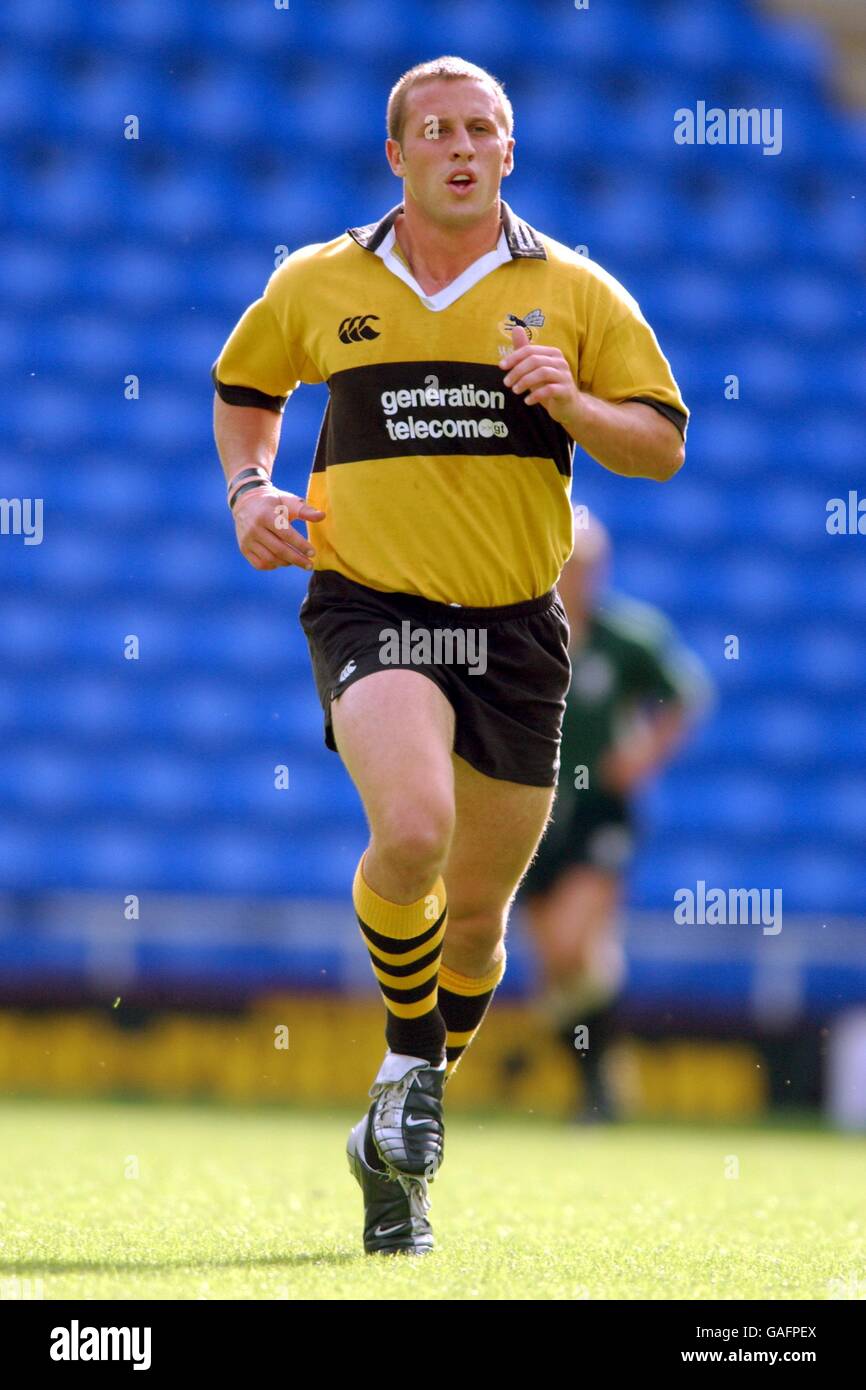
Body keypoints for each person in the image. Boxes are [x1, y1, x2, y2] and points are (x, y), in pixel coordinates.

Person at [211, 55, 688, 1255]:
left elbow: (661, 443)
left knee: (475, 923)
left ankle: (398, 1118)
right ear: (398, 153)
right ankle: (409, 1097)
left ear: (508, 151)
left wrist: (573, 406)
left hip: (517, 633)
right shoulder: (318, 279)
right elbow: (243, 386)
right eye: (437, 129)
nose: (461, 146)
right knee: (412, 829)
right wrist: (248, 490)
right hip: (370, 606)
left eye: (483, 128)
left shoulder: (571, 289)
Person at [518, 512, 712, 1121]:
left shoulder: (626, 635)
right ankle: (599, 1082)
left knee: (574, 944)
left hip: (600, 811)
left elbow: (687, 696)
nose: (581, 577)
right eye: (572, 564)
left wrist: (641, 756)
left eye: (589, 566)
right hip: (530, 810)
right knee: (557, 965)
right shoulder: (520, 633)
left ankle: (597, 1083)